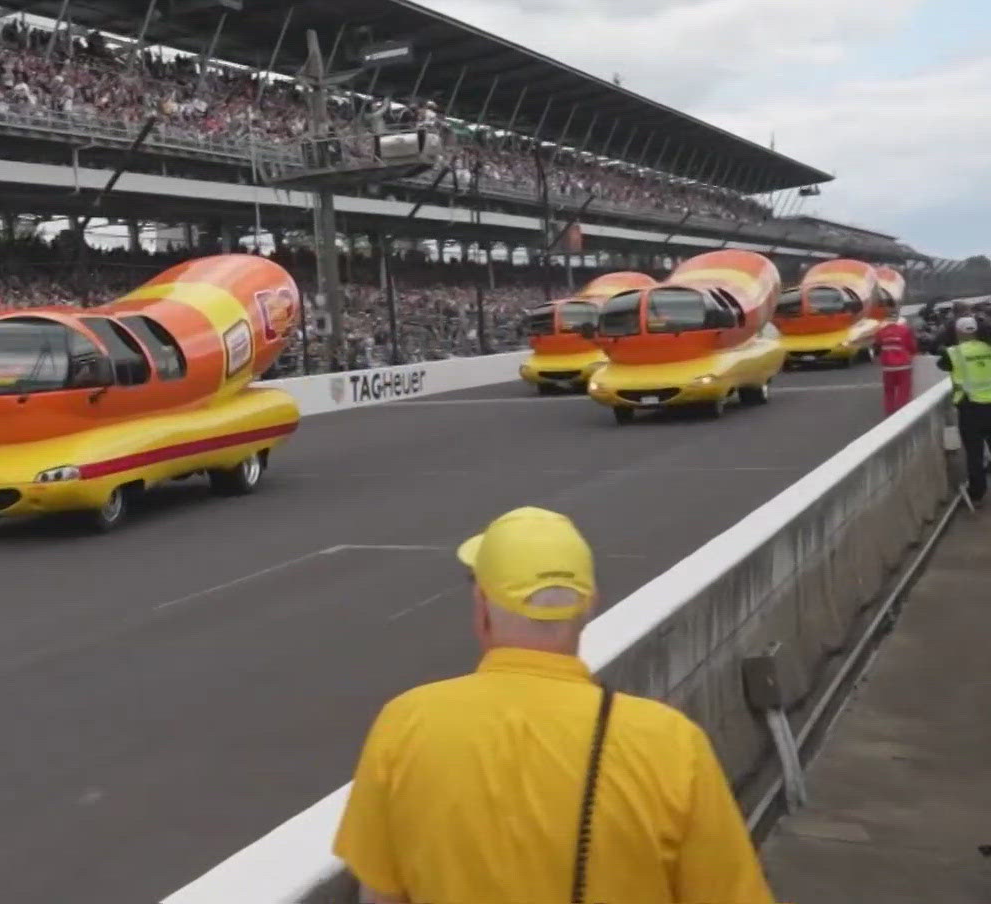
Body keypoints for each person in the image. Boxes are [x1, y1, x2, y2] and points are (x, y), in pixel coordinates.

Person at [333, 507, 774, 904]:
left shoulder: (406, 723)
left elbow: (381, 897)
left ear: (482, 606)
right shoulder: (670, 743)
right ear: (589, 606)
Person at [938, 315, 991, 506]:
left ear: (958, 332)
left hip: (971, 408)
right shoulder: (988, 347)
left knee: (975, 454)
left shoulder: (953, 353)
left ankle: (977, 493)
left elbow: (941, 364)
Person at [874, 306, 917, 416]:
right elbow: (911, 346)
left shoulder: (880, 332)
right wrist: (913, 355)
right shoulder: (905, 330)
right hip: (903, 365)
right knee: (904, 390)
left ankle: (889, 412)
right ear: (897, 317)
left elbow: (877, 347)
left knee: (889, 391)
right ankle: (902, 413)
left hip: (887, 367)